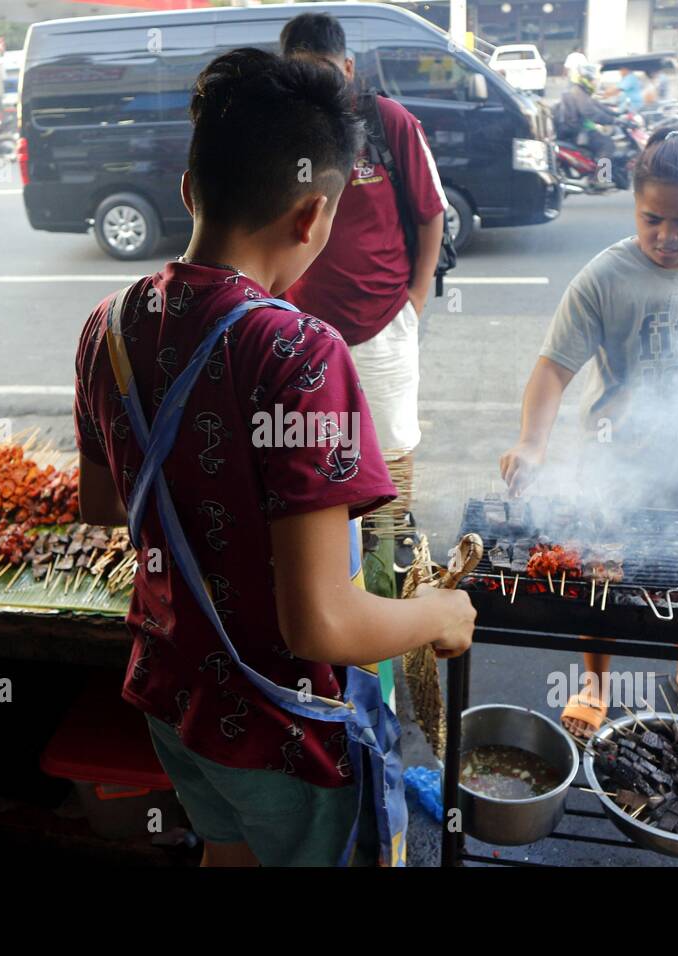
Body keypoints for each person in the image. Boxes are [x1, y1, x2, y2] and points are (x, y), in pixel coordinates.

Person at [73, 48, 476, 867]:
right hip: (277, 730)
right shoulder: (300, 353)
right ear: (312, 216)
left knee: (226, 855)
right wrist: (441, 614)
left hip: (173, 696)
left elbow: (105, 503)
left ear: (189, 189)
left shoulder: (108, 324)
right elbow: (321, 622)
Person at [499, 127, 678, 738]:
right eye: (653, 219)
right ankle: (596, 683)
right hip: (619, 466)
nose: (667, 236)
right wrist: (532, 442)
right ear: (634, 205)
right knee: (605, 579)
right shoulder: (605, 277)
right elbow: (553, 369)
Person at [277, 12, 448, 559]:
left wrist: (415, 299)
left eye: (325, 72)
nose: (316, 86)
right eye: (302, 74)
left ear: (348, 68)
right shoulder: (282, 133)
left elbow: (431, 213)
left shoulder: (388, 124)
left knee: (391, 441)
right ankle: (334, 553)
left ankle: (389, 547)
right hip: (300, 330)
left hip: (382, 322)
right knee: (311, 444)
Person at [555, 64, 620, 165]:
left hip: (579, 129)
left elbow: (596, 105)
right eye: (593, 80)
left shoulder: (580, 91)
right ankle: (602, 174)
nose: (595, 83)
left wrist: (617, 114)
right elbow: (590, 112)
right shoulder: (577, 92)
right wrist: (613, 120)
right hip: (577, 132)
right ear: (585, 80)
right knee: (607, 144)